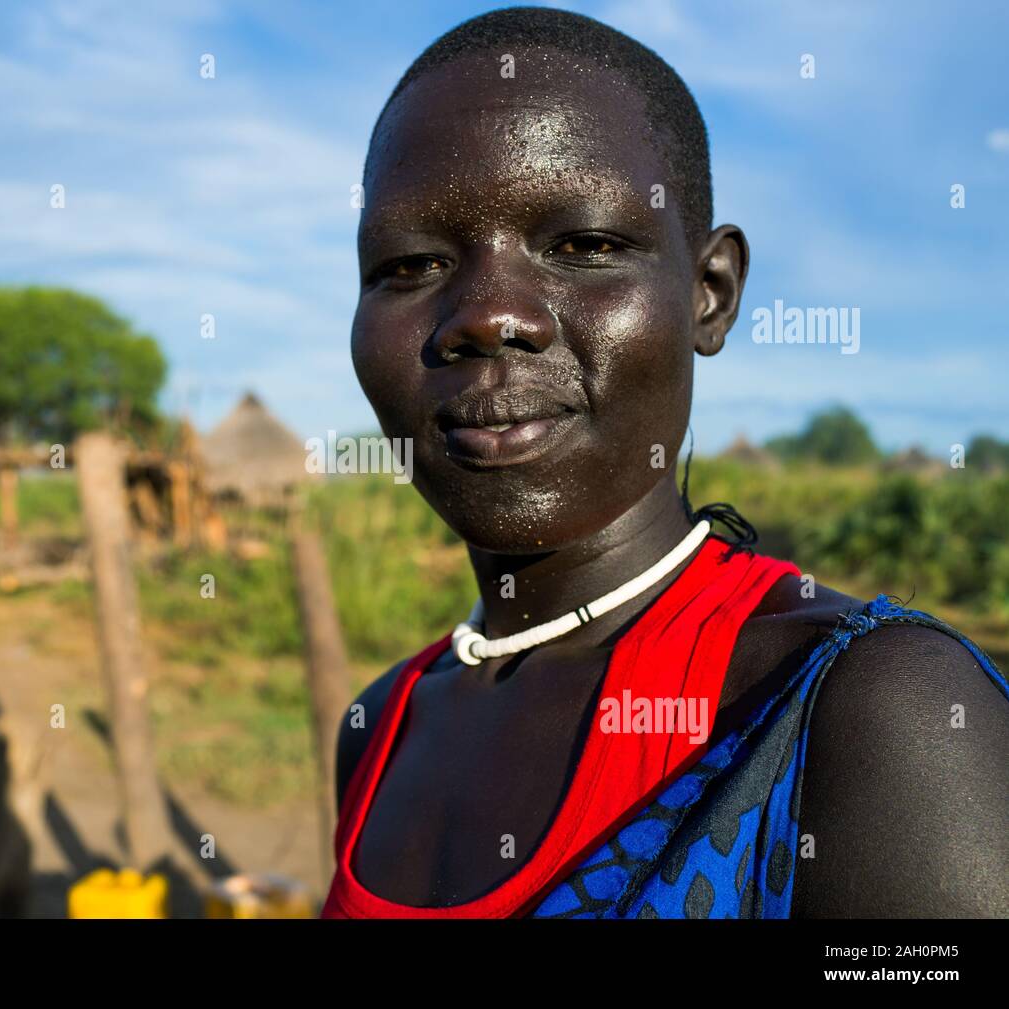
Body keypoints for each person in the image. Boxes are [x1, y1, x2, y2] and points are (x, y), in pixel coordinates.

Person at [323, 7, 1009, 918]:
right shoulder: (381, 725)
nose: (487, 316)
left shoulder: (869, 712)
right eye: (409, 264)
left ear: (709, 294)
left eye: (585, 246)